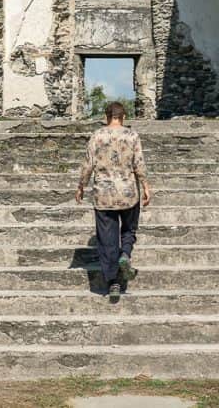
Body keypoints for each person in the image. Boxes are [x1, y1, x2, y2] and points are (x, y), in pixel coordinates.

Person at [76, 101, 152, 303]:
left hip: (104, 195)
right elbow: (139, 163)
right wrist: (145, 185)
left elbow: (88, 164)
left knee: (107, 240)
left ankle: (113, 283)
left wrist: (81, 186)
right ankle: (125, 254)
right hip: (128, 192)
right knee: (129, 230)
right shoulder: (132, 136)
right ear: (123, 117)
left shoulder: (97, 136)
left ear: (107, 117)